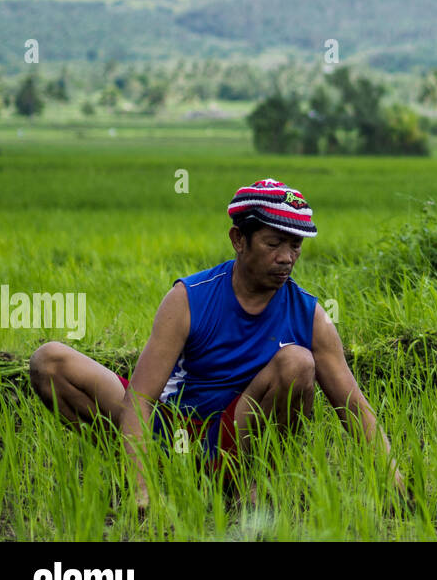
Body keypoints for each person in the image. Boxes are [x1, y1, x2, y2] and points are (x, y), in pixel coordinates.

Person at [29, 177, 406, 512]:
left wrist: (396, 481)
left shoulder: (309, 316)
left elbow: (354, 407)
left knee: (298, 363)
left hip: (234, 435)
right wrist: (141, 491)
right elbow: (141, 400)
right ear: (238, 240)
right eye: (274, 243)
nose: (287, 258)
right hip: (172, 425)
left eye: (295, 246)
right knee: (49, 361)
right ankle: (149, 475)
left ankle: (247, 487)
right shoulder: (188, 298)